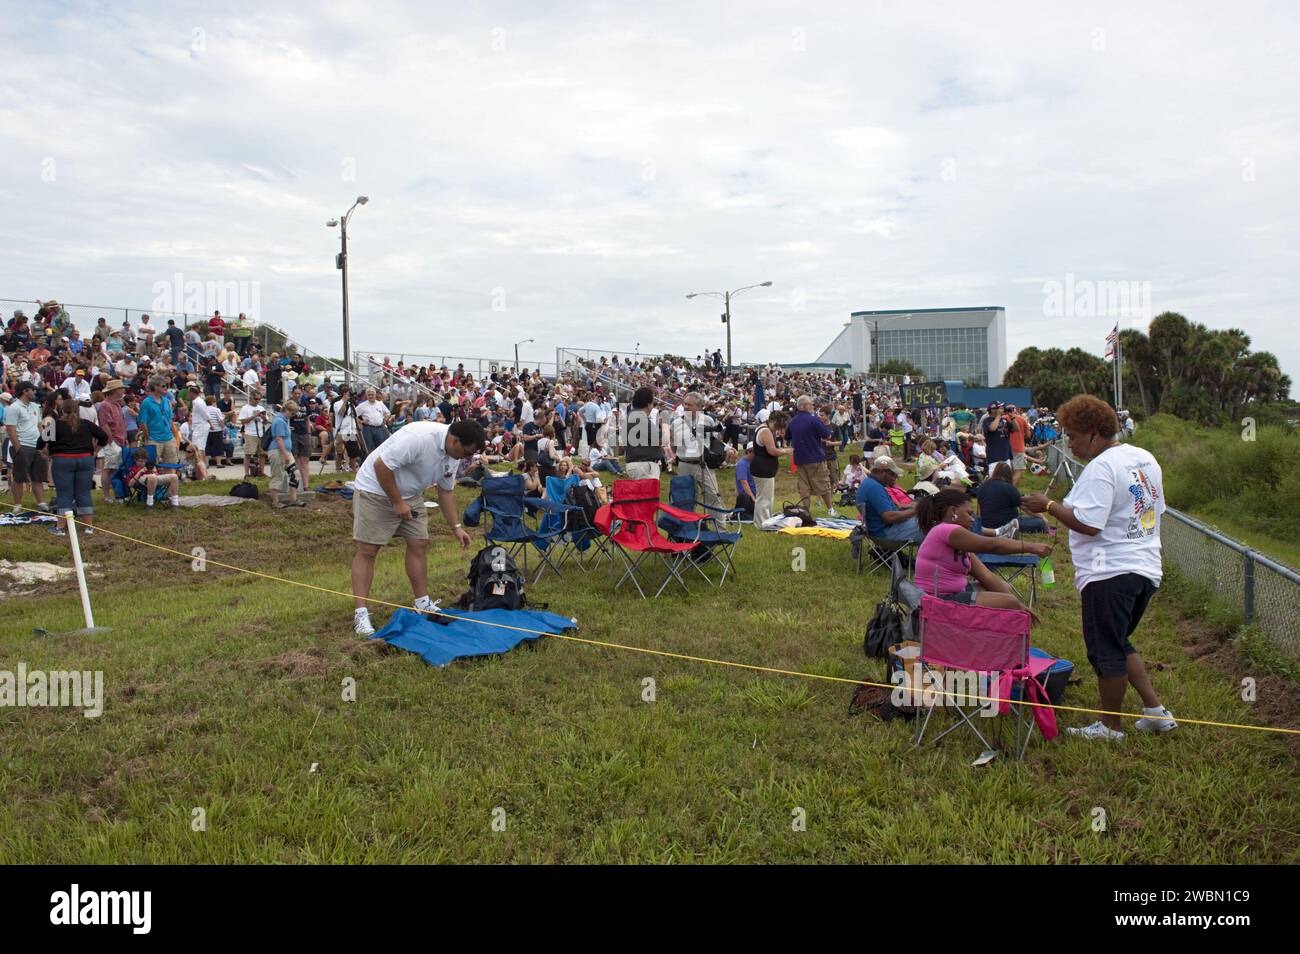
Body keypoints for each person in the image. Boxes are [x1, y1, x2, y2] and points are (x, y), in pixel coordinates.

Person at [1023, 395, 1176, 741]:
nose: (1070, 444)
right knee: (1118, 640)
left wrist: (1047, 504)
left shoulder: (1101, 467)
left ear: (1093, 434)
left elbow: (1089, 524)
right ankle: (1155, 711)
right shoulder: (1143, 458)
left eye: (1073, 436)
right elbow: (1154, 511)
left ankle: (1110, 726)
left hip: (1110, 573)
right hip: (1145, 568)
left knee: (1105, 651)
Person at [350, 419, 486, 637]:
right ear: (454, 440)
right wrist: (397, 502)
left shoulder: (453, 454)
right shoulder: (419, 438)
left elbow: (446, 492)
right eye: (466, 452)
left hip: (410, 494)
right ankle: (361, 614)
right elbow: (381, 466)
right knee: (368, 550)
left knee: (419, 543)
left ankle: (422, 602)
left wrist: (456, 527)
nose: (466, 459)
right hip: (374, 489)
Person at [914, 487, 1051, 610]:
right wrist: (1031, 547)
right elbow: (992, 545)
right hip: (936, 600)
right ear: (953, 511)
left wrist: (1021, 607)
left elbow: (986, 575)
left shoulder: (957, 540)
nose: (973, 519)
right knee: (1008, 602)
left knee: (1006, 590)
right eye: (969, 513)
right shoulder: (946, 530)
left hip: (952, 593)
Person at [38, 397, 109, 536]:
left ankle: (61, 528)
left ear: (62, 410)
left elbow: (40, 442)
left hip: (62, 460)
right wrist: (96, 450)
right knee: (83, 492)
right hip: (85, 459)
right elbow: (104, 437)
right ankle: (89, 527)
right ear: (77, 410)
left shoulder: (56, 425)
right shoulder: (86, 424)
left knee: (64, 494)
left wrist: (46, 452)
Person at [670, 391, 724, 513]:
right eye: (685, 404)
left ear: (699, 407)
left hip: (704, 464)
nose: (686, 407)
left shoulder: (708, 421)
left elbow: (715, 440)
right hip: (685, 464)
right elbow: (673, 444)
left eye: (690, 405)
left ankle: (720, 530)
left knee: (713, 496)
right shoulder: (676, 423)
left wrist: (722, 454)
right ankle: (688, 528)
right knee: (685, 499)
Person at [787, 395, 837, 515]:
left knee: (804, 487)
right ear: (805, 406)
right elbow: (827, 435)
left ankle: (806, 511)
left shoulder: (793, 421)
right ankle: (830, 509)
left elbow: (787, 436)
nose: (813, 406)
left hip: (799, 458)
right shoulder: (814, 419)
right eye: (811, 404)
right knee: (823, 483)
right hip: (815, 457)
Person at [4, 382, 50, 512]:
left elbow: (40, 426)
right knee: (19, 476)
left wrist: (44, 443)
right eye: (32, 390)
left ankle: (41, 502)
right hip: (22, 444)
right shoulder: (14, 407)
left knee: (38, 476)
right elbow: (10, 429)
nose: (35, 393)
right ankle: (17, 504)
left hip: (36, 445)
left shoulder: (35, 406)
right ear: (25, 391)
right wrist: (18, 448)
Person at [855, 455, 922, 543]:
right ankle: (928, 556)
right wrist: (917, 511)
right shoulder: (874, 488)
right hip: (886, 533)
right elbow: (889, 517)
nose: (895, 478)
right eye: (893, 474)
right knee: (930, 527)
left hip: (882, 529)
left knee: (927, 521)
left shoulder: (869, 483)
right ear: (882, 472)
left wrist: (908, 507)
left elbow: (890, 509)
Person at [976, 462, 1048, 533]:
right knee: (1040, 522)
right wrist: (1042, 517)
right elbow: (1025, 507)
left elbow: (978, 509)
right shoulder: (1009, 488)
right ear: (1009, 475)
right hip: (1006, 525)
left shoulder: (983, 486)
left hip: (986, 525)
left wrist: (980, 525)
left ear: (995, 472)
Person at [623, 386, 672, 480]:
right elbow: (664, 440)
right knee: (649, 495)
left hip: (640, 465)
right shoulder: (639, 417)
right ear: (648, 404)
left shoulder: (634, 415)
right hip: (644, 466)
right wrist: (666, 422)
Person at [265, 400, 305, 510]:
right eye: (292, 413)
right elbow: (278, 439)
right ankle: (275, 501)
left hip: (286, 451)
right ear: (287, 410)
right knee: (278, 476)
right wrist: (285, 455)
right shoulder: (279, 421)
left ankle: (293, 498)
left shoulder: (284, 420)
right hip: (278, 451)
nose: (293, 416)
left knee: (296, 474)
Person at [750, 410, 786, 525]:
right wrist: (786, 451)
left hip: (764, 468)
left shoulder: (762, 428)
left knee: (766, 497)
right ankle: (762, 523)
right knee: (764, 499)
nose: (778, 429)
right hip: (763, 468)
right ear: (773, 421)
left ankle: (764, 520)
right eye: (778, 426)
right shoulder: (765, 431)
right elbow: (772, 451)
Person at [97, 380, 128, 502]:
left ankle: (116, 493)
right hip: (113, 440)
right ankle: (106, 495)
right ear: (114, 391)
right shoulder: (105, 405)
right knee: (109, 468)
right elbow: (104, 425)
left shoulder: (117, 404)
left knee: (116, 468)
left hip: (120, 439)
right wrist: (111, 441)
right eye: (121, 389)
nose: (123, 391)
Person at [733, 443, 756, 519]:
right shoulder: (742, 464)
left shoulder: (752, 462)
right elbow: (744, 483)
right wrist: (753, 498)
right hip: (747, 497)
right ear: (749, 452)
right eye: (755, 453)